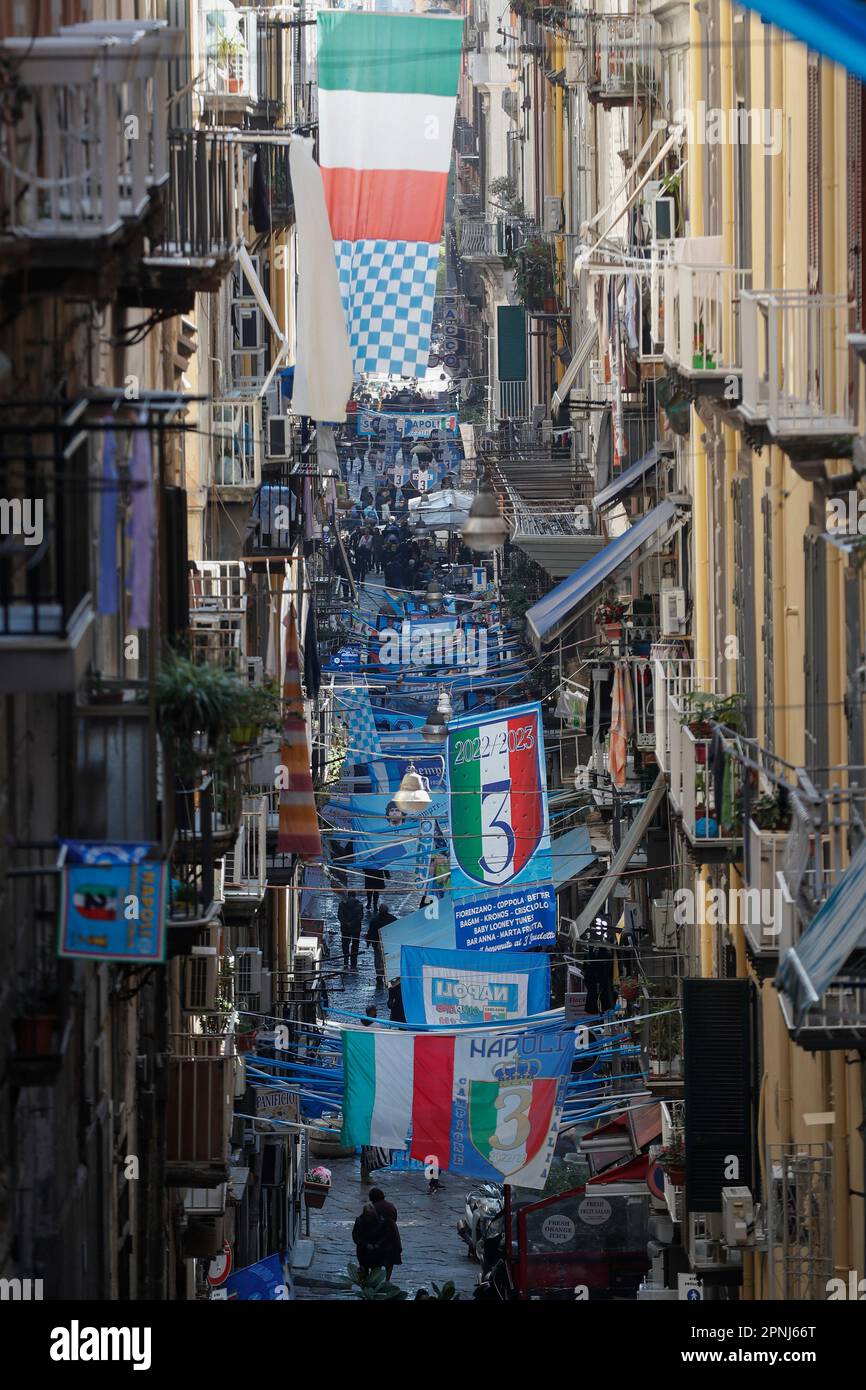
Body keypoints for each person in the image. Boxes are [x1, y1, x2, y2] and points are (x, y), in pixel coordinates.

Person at [367, 901, 396, 988]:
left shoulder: (375, 920)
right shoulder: (393, 919)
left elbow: (371, 932)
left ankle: (379, 975)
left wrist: (369, 942)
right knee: (389, 959)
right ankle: (389, 974)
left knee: (378, 959)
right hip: (390, 943)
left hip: (377, 943)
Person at [337, 892, 364, 970]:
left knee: (345, 943)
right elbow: (360, 917)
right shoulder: (359, 904)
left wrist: (345, 923)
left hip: (345, 928)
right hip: (356, 928)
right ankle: (353, 962)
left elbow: (339, 915)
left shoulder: (342, 904)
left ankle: (346, 960)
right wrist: (352, 923)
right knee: (355, 944)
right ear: (355, 895)